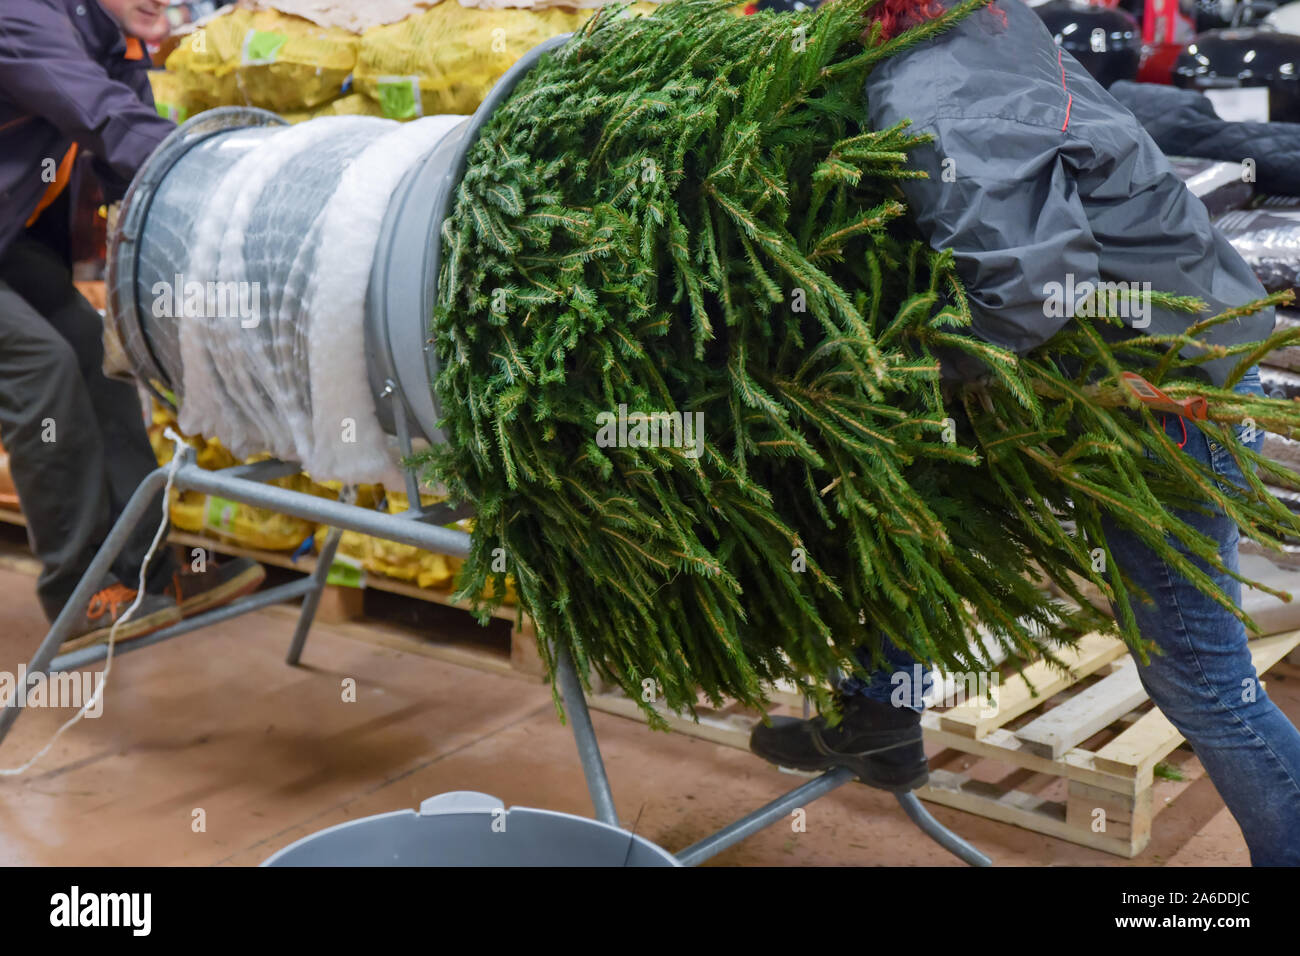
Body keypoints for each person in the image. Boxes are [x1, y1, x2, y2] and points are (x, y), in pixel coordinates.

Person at [749, 0, 1300, 865]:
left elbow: (1034, 288)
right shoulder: (988, 28)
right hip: (1142, 364)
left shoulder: (922, 84)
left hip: (1160, 398)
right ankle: (879, 712)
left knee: (1199, 677)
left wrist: (913, 372)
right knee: (912, 494)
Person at [0, 0, 264, 651]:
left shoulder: (116, 42)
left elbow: (135, 166)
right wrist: (238, 180)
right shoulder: (22, 14)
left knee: (96, 354)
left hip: (11, 238)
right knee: (43, 366)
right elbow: (104, 116)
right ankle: (78, 594)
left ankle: (146, 573)